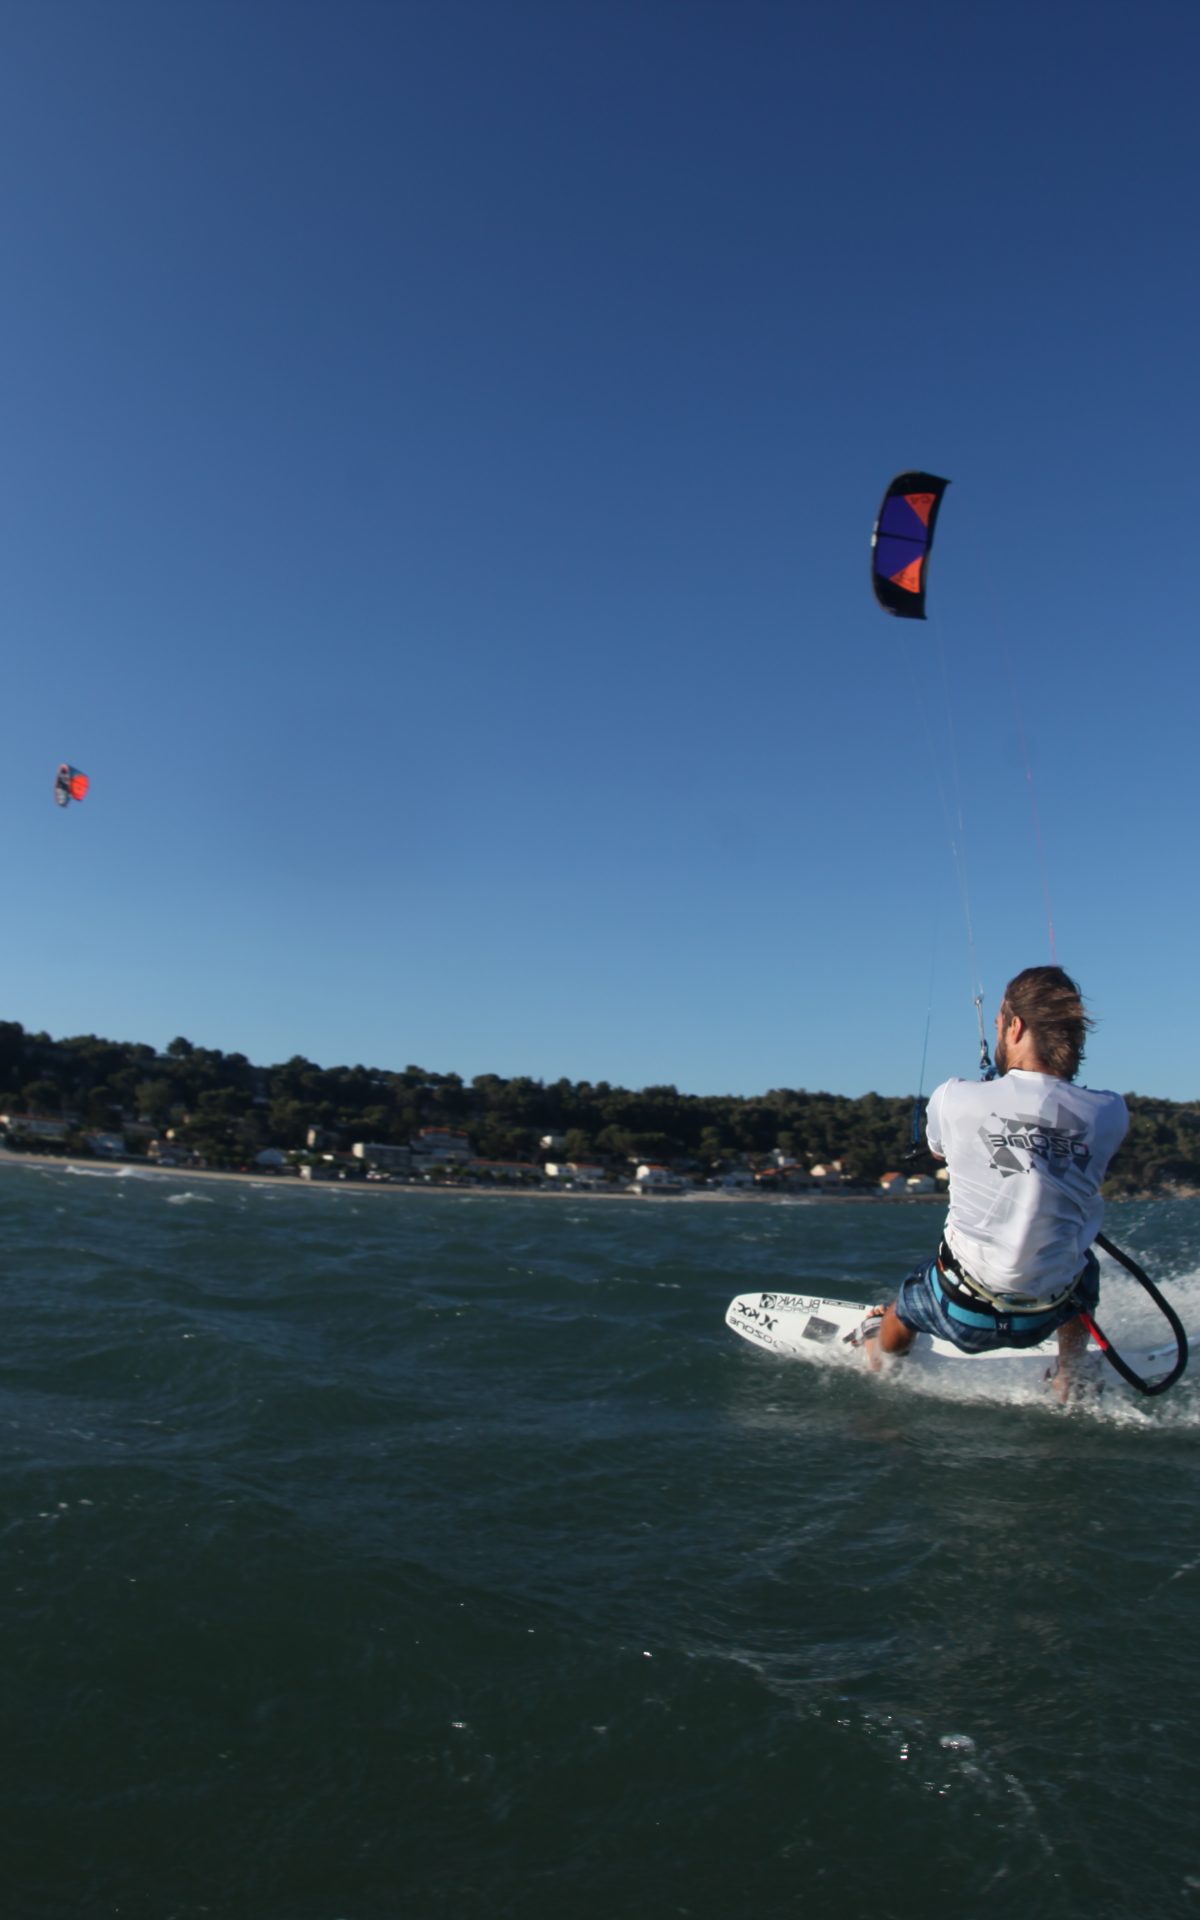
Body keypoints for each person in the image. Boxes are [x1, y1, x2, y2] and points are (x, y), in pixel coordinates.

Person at [860, 966, 1128, 1397]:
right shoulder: (1110, 1112)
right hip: (1045, 1314)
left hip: (961, 1312)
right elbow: (1048, 1143)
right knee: (1083, 1265)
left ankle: (879, 1354)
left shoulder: (955, 1097)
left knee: (907, 1303)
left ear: (1015, 1026)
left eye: (1000, 1021)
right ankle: (1070, 1374)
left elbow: (939, 1151)